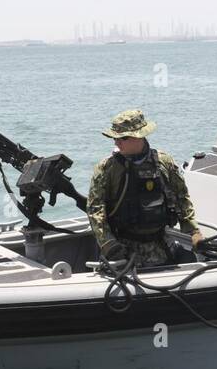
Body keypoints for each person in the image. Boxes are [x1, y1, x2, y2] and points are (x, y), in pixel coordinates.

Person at [87, 109, 202, 268]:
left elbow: (181, 197)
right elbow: (95, 208)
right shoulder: (107, 168)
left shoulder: (163, 162)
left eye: (123, 138)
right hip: (123, 249)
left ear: (139, 136)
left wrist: (193, 231)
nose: (117, 142)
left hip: (160, 245)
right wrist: (107, 243)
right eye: (115, 138)